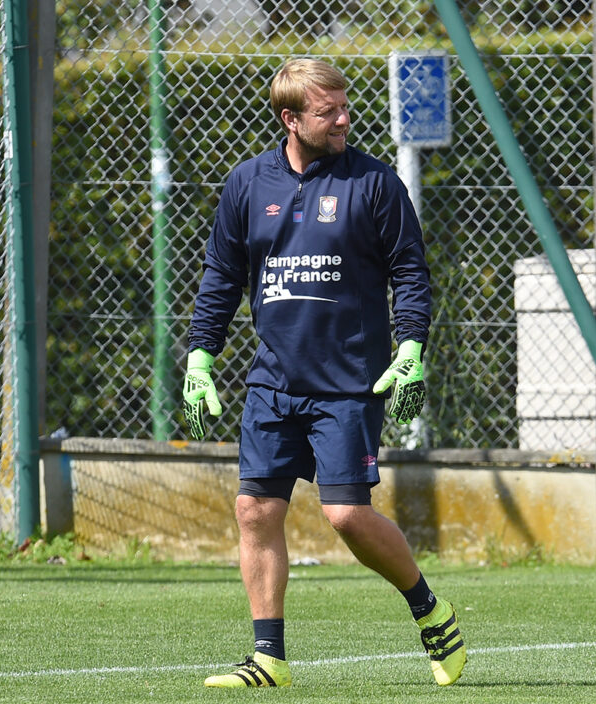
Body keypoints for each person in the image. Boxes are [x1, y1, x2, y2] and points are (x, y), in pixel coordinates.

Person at [182, 58, 466, 689]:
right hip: (272, 383)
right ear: (291, 119)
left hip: (348, 385)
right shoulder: (246, 184)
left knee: (344, 516)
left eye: (344, 105)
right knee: (254, 509)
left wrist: (411, 345)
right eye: (327, 110)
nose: (343, 118)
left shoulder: (374, 182)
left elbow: (410, 274)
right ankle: (268, 657)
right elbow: (223, 277)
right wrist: (201, 355)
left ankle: (429, 608)